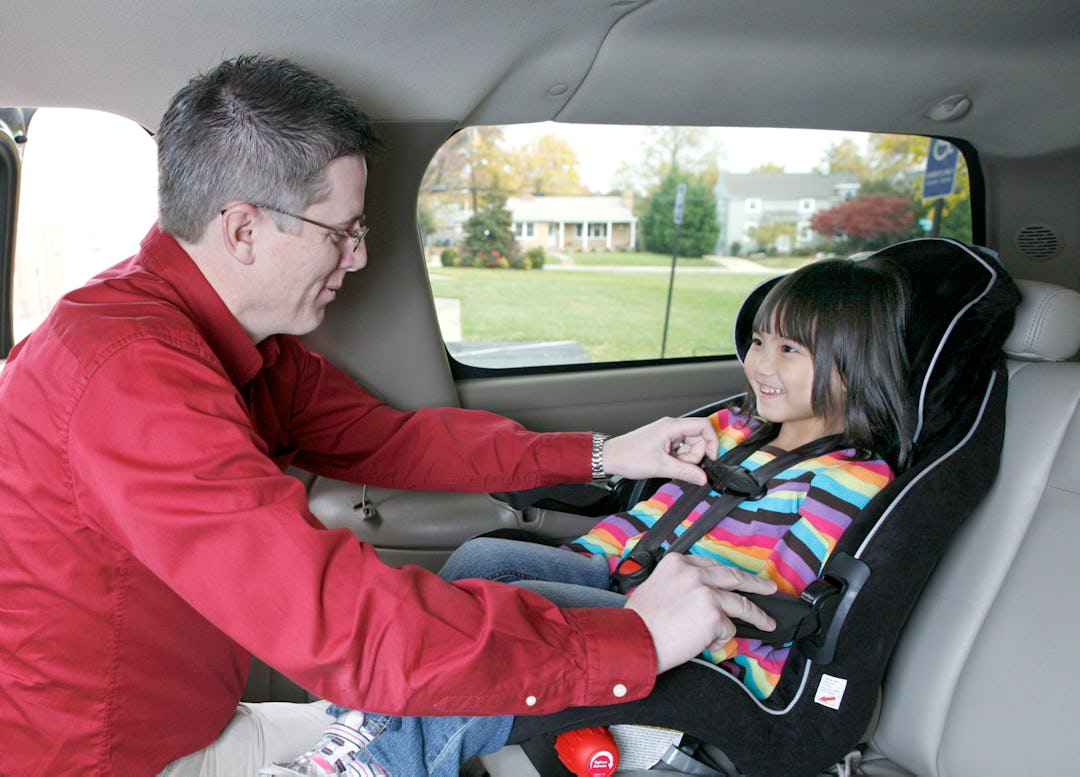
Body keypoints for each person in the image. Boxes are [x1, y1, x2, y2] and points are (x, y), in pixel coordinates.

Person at [0, 55, 780, 777]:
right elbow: (342, 624)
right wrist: (633, 639)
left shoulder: (223, 341)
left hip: (186, 723)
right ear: (244, 230)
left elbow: (391, 438)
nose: (359, 257)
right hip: (110, 759)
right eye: (341, 232)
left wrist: (605, 455)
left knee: (447, 721)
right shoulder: (131, 377)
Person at [261, 257, 911, 777]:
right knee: (485, 561)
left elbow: (775, 595)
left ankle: (375, 761)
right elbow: (655, 509)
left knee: (504, 612)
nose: (760, 362)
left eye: (790, 349)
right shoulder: (735, 426)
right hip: (622, 577)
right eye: (760, 340)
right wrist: (594, 549)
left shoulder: (849, 477)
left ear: (854, 368)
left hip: (712, 635)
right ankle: (365, 718)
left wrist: (644, 591)